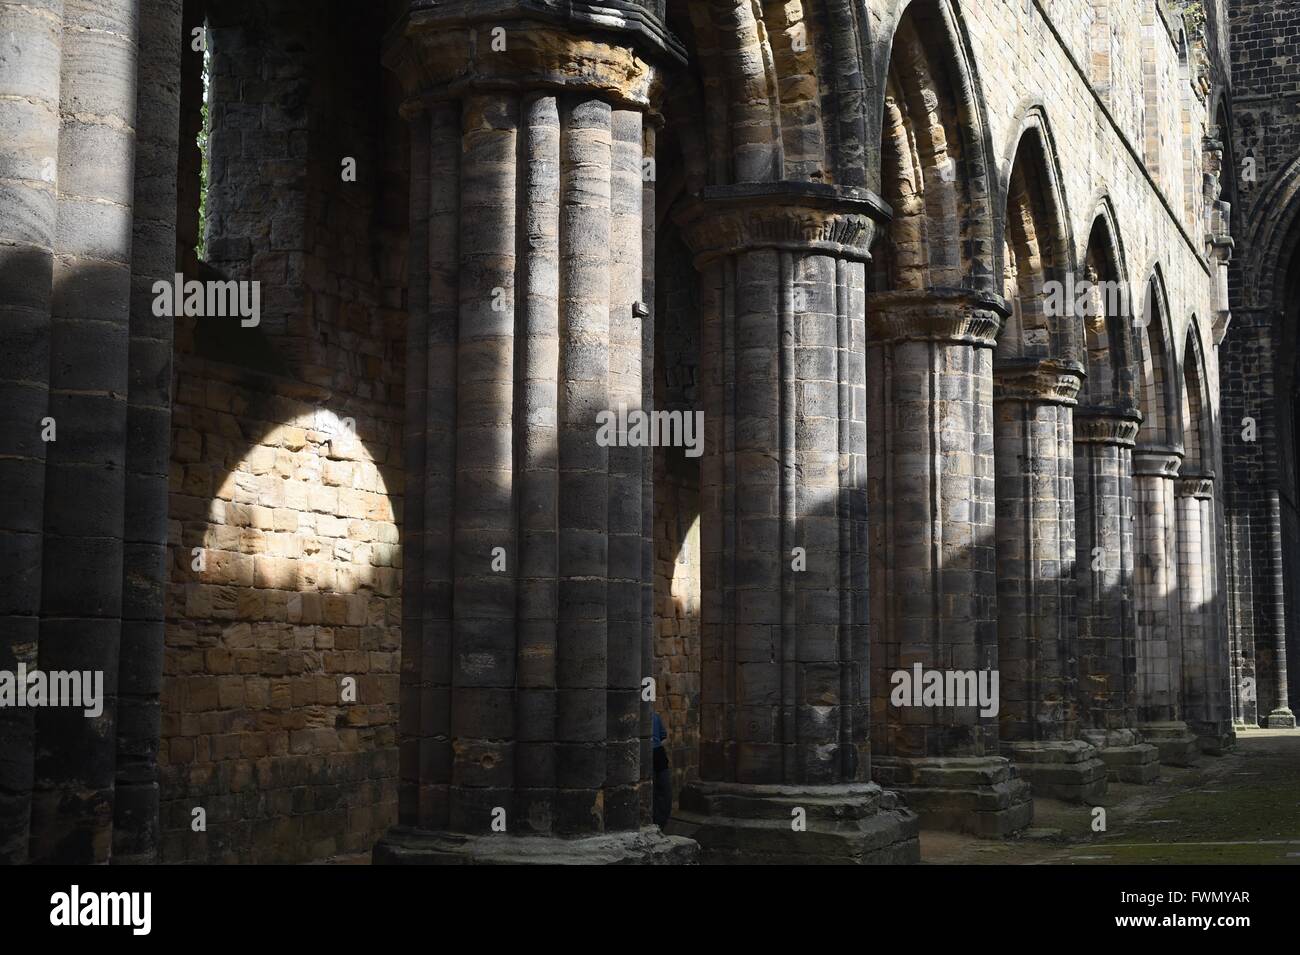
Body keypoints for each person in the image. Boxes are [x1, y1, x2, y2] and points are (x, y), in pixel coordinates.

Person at [652, 711, 672, 827]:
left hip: (658, 755)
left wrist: (657, 744)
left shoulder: (655, 716)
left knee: (665, 791)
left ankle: (661, 823)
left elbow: (664, 737)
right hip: (645, 755)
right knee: (652, 792)